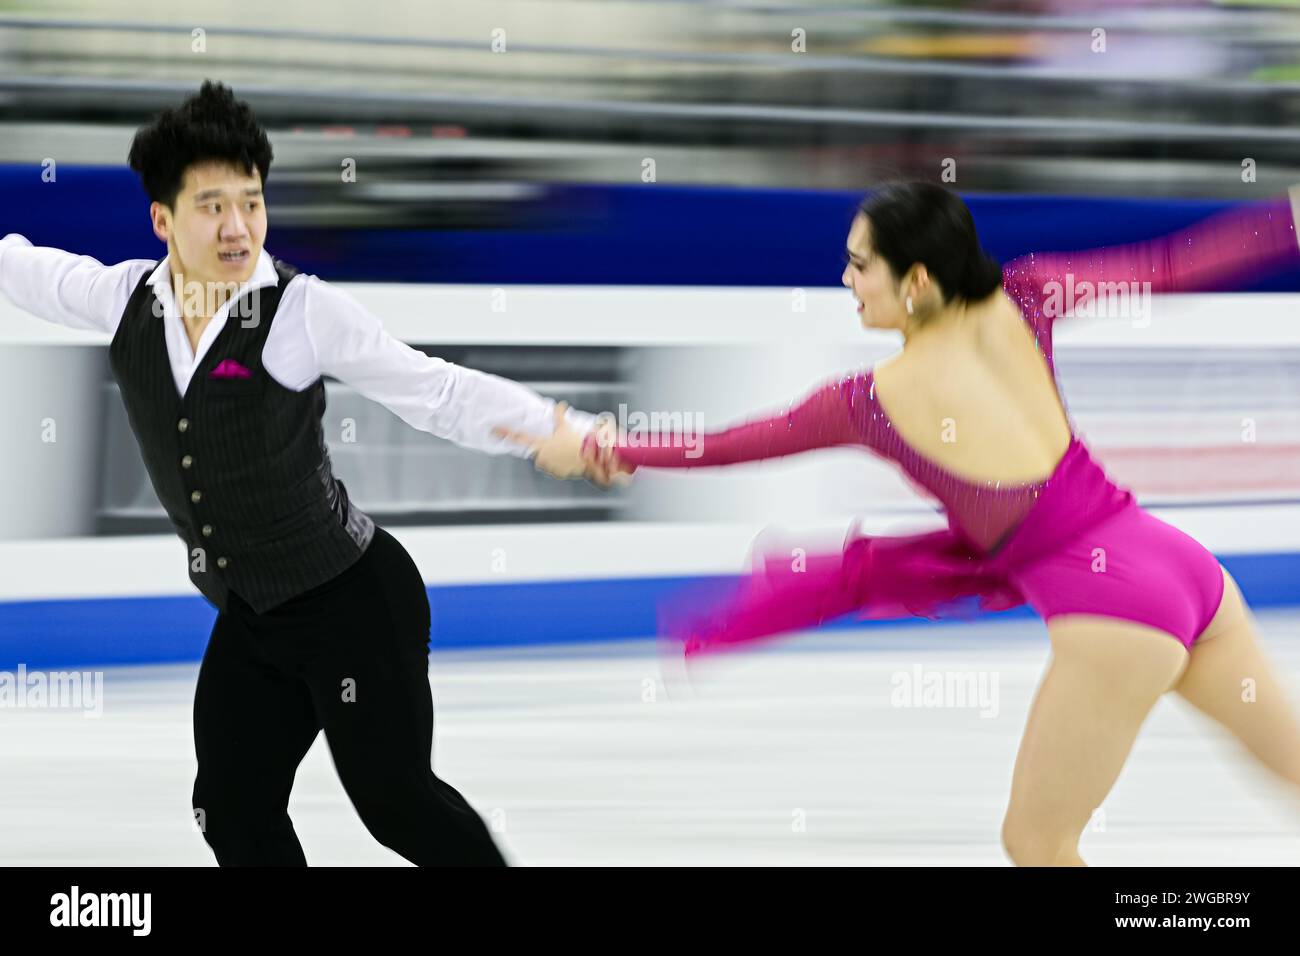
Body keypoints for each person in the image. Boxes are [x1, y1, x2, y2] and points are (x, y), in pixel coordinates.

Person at [505, 182, 1300, 866]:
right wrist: (1286, 221)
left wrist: (612, 448)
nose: (845, 279)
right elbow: (1174, 265)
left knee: (1036, 844)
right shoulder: (1031, 293)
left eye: (860, 265)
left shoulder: (868, 404)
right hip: (1189, 573)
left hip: (1116, 614)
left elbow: (727, 445)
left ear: (916, 280)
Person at [0, 80, 611, 866]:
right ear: (163, 220)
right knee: (230, 809)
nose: (237, 227)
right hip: (253, 617)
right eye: (212, 206)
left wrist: (556, 431)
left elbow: (437, 391)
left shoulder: (299, 310)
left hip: (355, 605)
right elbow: (22, 269)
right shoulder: (124, 300)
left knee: (395, 804)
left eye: (251, 202)